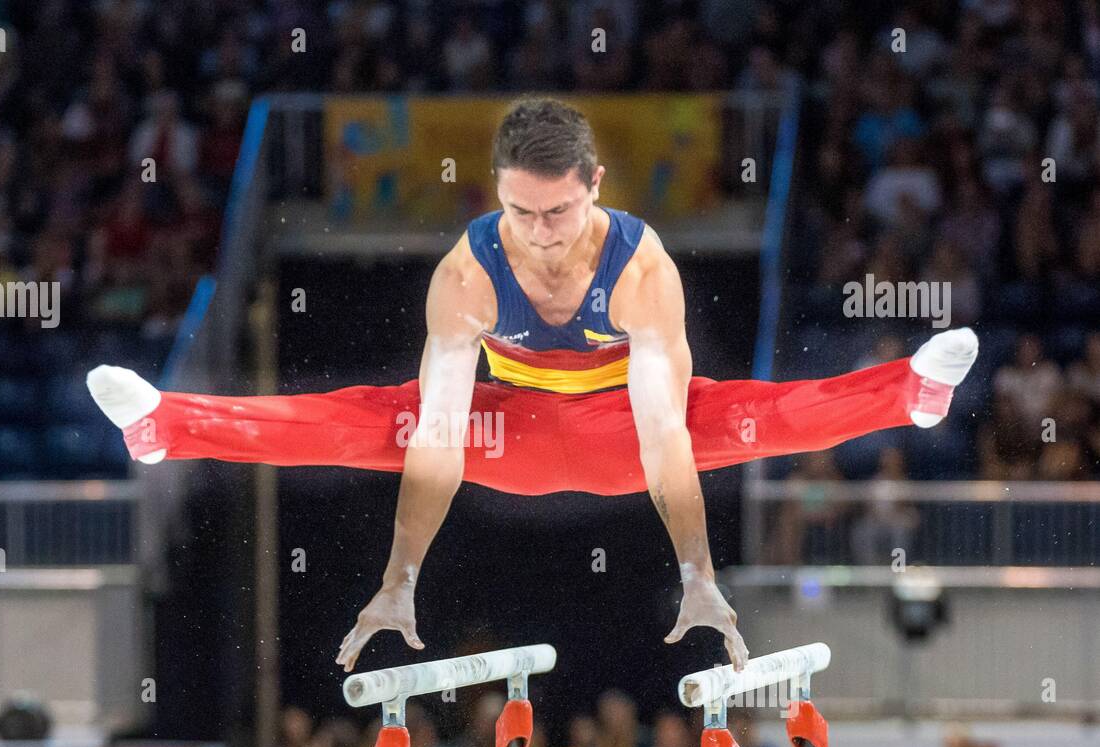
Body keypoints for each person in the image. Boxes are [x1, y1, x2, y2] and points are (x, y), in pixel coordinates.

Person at [86, 98, 979, 673]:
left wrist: (695, 572)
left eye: (559, 211)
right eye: (521, 212)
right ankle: (167, 423)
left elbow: (666, 436)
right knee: (373, 419)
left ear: (594, 184)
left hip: (630, 434)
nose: (542, 234)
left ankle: (909, 393)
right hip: (500, 438)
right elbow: (439, 439)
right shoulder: (467, 274)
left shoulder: (640, 268)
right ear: (497, 196)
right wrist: (400, 579)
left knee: (746, 416)